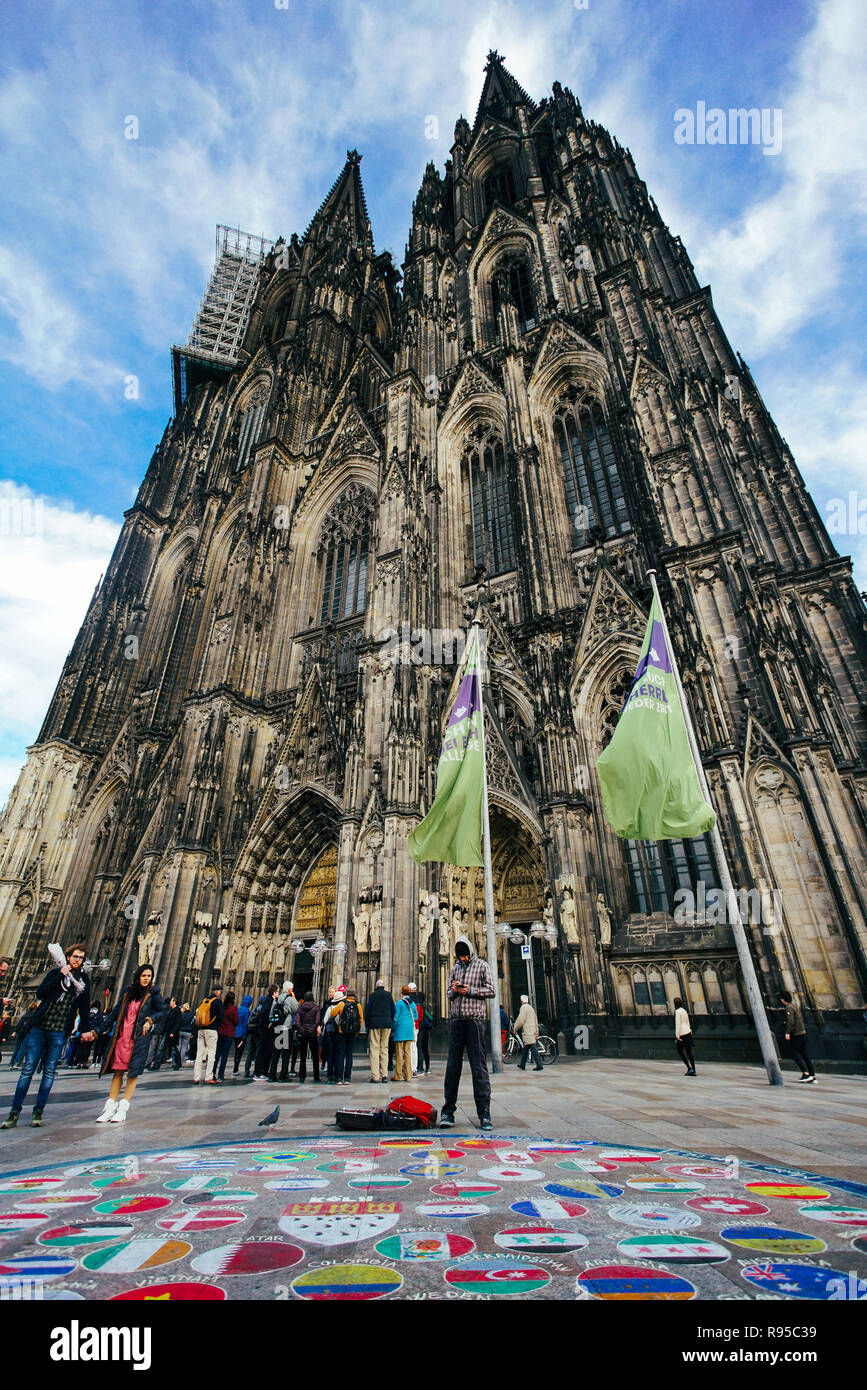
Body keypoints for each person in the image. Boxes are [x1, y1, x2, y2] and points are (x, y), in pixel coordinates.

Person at [2, 944, 95, 1129]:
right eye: (75, 956)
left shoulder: (83, 980)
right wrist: (61, 974)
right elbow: (41, 993)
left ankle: (38, 1111)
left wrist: (85, 1029)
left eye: (81, 958)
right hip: (40, 1027)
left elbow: (84, 1008)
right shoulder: (56, 973)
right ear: (68, 957)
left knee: (49, 1072)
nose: (78, 960)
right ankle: (14, 1112)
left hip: (59, 1030)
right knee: (28, 1070)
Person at [95, 964, 166, 1123]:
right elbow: (114, 1014)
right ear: (138, 976)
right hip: (122, 1037)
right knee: (117, 1071)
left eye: (149, 976)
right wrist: (96, 1031)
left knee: (132, 1072)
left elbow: (163, 1011)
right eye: (144, 975)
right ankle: (110, 1107)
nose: (146, 978)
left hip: (138, 1039)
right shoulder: (128, 993)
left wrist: (150, 1020)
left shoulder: (153, 994)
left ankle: (123, 1108)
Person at [441, 937, 495, 1131]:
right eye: (459, 956)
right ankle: (448, 1111)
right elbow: (448, 993)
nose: (462, 959)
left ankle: (484, 1113)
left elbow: (491, 990)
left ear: (470, 952)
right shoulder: (455, 968)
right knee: (452, 1068)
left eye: (464, 955)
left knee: (478, 1067)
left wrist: (470, 990)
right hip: (456, 1021)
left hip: (474, 1021)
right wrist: (454, 991)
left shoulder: (482, 966)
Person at [326, 987, 363, 1085]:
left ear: (346, 995)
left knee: (340, 1054)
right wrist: (357, 1032)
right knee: (349, 1055)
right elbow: (361, 1019)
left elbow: (332, 1014)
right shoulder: (358, 1005)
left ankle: (339, 1078)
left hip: (342, 1032)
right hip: (352, 1034)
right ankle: (347, 1078)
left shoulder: (342, 1003)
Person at [780, 990, 816, 1082]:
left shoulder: (788, 1007)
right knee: (805, 1054)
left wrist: (787, 1032)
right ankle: (812, 1075)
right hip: (802, 1033)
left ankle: (805, 1073)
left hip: (797, 1034)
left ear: (783, 999)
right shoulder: (794, 1006)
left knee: (794, 1053)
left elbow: (791, 1021)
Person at [365, 978, 395, 1083]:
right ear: (384, 987)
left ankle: (375, 1076)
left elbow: (368, 1011)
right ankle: (385, 1075)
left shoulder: (372, 996)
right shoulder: (389, 995)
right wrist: (390, 1021)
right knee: (384, 1049)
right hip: (387, 1024)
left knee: (374, 1049)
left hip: (375, 1024)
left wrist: (367, 1024)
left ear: (376, 986)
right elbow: (393, 1010)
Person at [269, 981, 299, 1082]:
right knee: (286, 1053)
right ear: (290, 990)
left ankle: (272, 1074)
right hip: (286, 1028)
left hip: (278, 1028)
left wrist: (273, 1023)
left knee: (276, 1053)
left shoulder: (277, 999)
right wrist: (294, 998)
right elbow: (296, 1009)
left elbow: (271, 1013)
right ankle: (283, 1075)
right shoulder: (289, 999)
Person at [192, 985, 223, 1085]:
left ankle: (196, 1077)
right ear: (218, 992)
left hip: (201, 1029)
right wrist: (216, 1026)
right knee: (211, 1053)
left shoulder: (204, 1000)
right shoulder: (217, 1001)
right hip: (211, 1030)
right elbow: (221, 1016)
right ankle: (209, 1076)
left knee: (199, 1054)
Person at [254, 985, 280, 1080]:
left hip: (265, 1030)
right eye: (277, 991)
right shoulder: (269, 1001)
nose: (278, 993)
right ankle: (259, 1072)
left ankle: (263, 1072)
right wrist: (270, 1022)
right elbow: (265, 1013)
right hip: (266, 1030)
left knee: (266, 1051)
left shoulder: (269, 1000)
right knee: (263, 1051)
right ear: (273, 992)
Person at [296, 991, 321, 1083]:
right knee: (315, 1056)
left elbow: (298, 1023)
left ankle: (302, 1076)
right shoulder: (316, 1007)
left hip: (303, 1035)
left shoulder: (300, 1008)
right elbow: (317, 1021)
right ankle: (316, 1076)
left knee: (302, 1056)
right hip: (312, 1034)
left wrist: (303, 1031)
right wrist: (311, 1030)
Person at [514, 995, 544, 1072]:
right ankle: (522, 1064)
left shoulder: (523, 1008)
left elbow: (521, 1020)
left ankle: (539, 1065)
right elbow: (535, 1020)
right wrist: (537, 1031)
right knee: (526, 1048)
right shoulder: (531, 1008)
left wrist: (515, 1028)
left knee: (533, 1048)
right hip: (532, 1030)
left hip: (528, 1031)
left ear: (521, 1001)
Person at [392, 986, 416, 1082]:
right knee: (407, 1053)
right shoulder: (412, 1004)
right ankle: (408, 1076)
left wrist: (393, 1027)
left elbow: (396, 1017)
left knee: (399, 1054)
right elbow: (416, 1016)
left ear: (402, 993)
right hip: (409, 1030)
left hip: (400, 1031)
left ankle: (398, 1076)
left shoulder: (399, 1003)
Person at [153, 997, 182, 1071]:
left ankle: (177, 1064)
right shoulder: (170, 1010)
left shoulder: (177, 1010)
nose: (170, 1002)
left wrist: (173, 1032)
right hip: (167, 1032)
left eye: (171, 1001)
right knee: (161, 1048)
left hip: (172, 1033)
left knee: (173, 1049)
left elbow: (177, 1022)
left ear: (174, 1002)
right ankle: (156, 1065)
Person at [215, 990, 238, 1081]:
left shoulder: (222, 1008)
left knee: (217, 1055)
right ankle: (221, 1075)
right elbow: (236, 1021)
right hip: (228, 1033)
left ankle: (212, 1073)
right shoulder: (233, 1009)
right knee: (224, 1056)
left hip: (220, 1032)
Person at [321, 986, 341, 1084]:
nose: (330, 994)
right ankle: (337, 1075)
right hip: (339, 1034)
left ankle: (330, 1075)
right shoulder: (341, 1006)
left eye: (332, 992)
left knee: (331, 1053)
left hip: (330, 1033)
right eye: (329, 992)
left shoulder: (330, 1007)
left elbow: (324, 1020)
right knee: (337, 1054)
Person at [10, 1002, 38, 1068]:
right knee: (23, 1048)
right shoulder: (34, 1015)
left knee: (17, 1048)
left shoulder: (25, 1014)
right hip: (28, 1033)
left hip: (20, 1032)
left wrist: (15, 1031)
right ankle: (18, 1063)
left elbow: (19, 1023)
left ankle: (12, 1063)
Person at [673, 996, 696, 1076]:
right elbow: (687, 1022)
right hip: (688, 1032)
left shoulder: (677, 1012)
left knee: (680, 1051)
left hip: (682, 1034)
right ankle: (693, 1070)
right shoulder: (684, 1011)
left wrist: (677, 1036)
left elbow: (678, 1024)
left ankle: (689, 1068)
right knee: (689, 1052)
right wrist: (690, 1031)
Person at [232, 993, 253, 1075]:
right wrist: (245, 1034)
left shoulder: (238, 1009)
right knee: (239, 1052)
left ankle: (235, 1069)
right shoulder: (247, 1011)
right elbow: (245, 1023)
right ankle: (235, 1069)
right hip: (241, 1034)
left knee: (237, 1051)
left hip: (235, 1033)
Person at [416, 991, 432, 1074]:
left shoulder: (419, 1007)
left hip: (420, 1029)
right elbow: (430, 1018)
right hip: (426, 1030)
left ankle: (420, 1067)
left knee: (419, 1048)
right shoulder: (425, 1007)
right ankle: (428, 1067)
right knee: (425, 1049)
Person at [407, 981, 421, 1075]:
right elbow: (419, 1016)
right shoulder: (419, 1000)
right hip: (416, 1026)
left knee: (408, 1047)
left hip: (409, 1026)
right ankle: (414, 1068)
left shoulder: (408, 1000)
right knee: (414, 1047)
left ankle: (409, 1068)